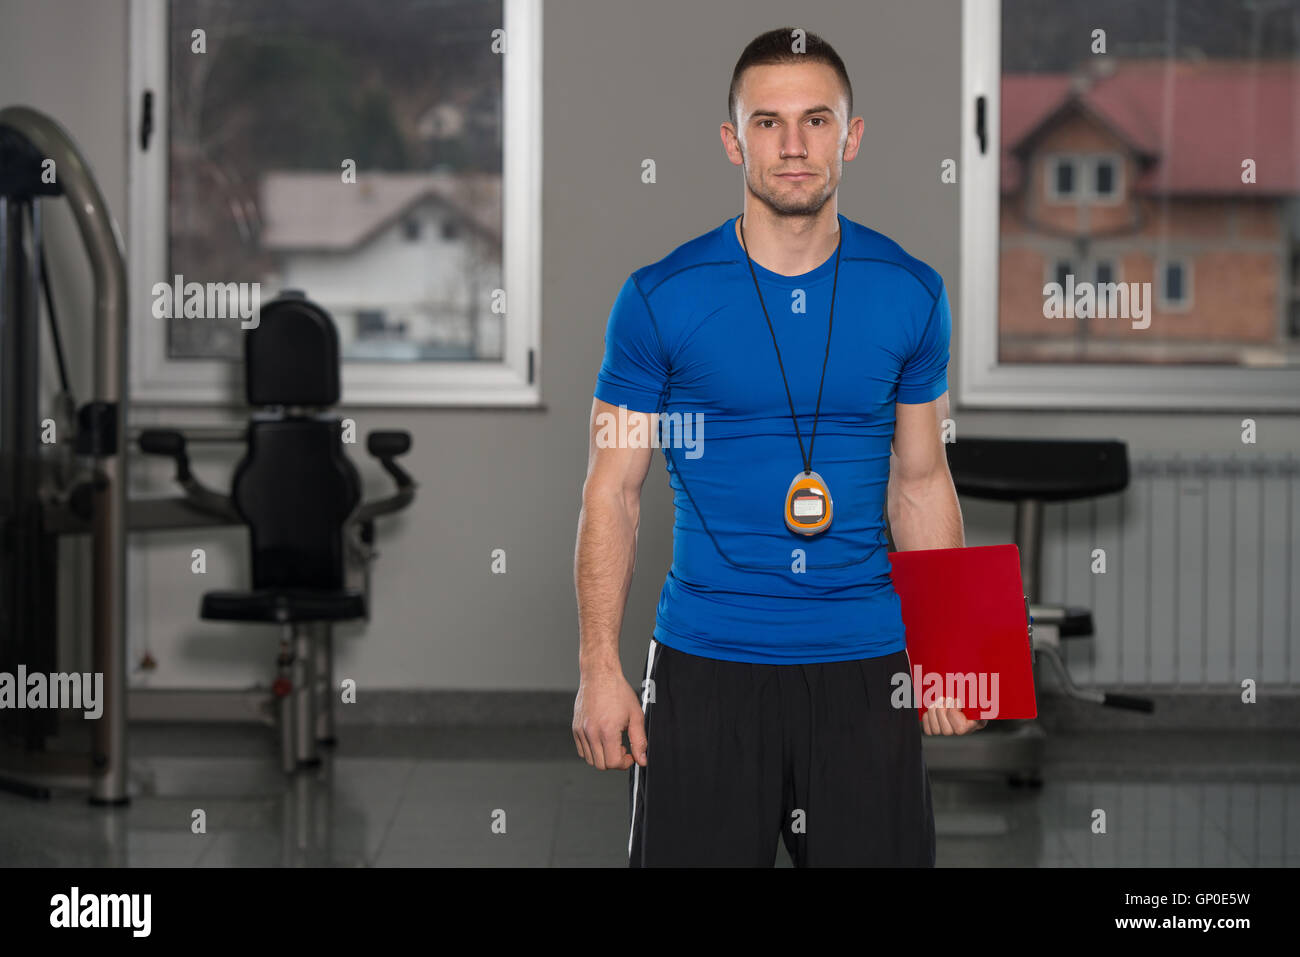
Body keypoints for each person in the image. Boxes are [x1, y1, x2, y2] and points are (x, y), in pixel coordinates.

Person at [573, 26, 984, 868]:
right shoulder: (657, 298)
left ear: (851, 136)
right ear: (733, 141)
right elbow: (611, 490)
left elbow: (920, 479)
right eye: (767, 122)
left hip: (867, 665)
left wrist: (954, 650)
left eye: (816, 120)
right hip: (706, 663)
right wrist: (598, 668)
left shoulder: (912, 292)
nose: (793, 145)